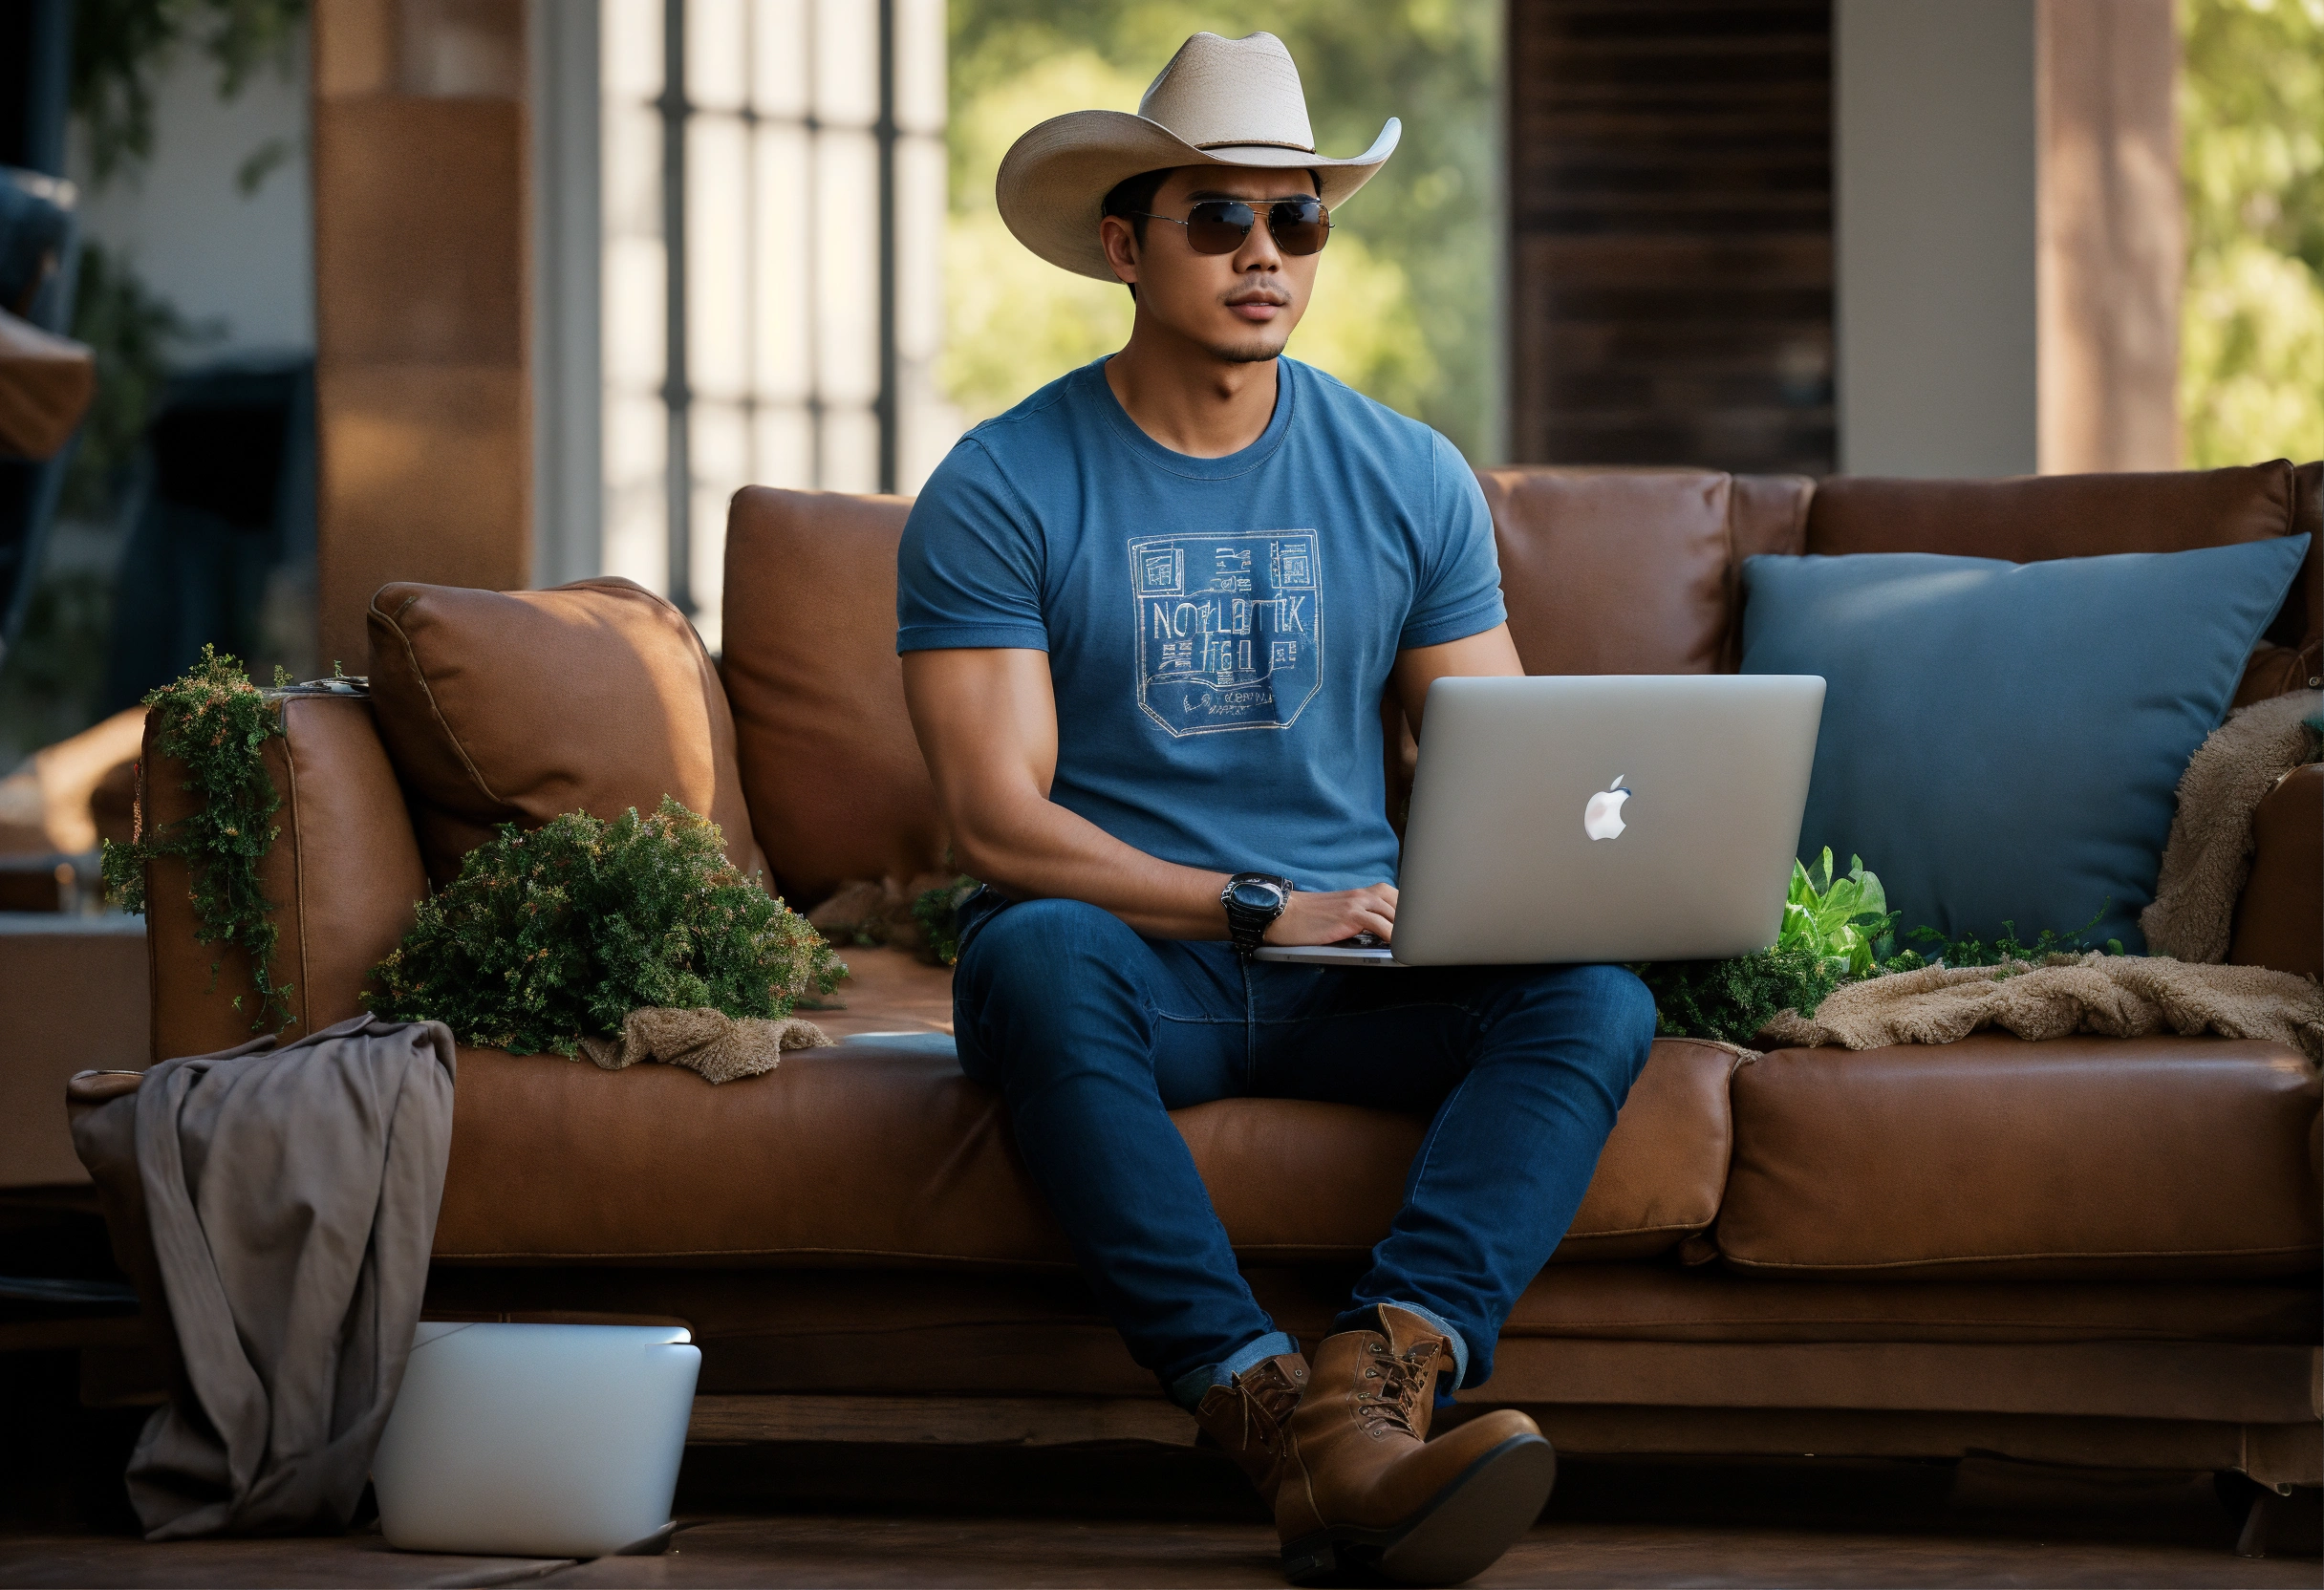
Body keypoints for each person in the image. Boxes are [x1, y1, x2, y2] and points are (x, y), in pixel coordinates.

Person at [897, 31, 1656, 1587]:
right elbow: (995, 821)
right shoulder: (1003, 484)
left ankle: (1374, 1385)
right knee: (1028, 953)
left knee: (1592, 996)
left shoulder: (1409, 476)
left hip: (1359, 969)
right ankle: (1260, 1408)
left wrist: (1593, 862)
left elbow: (1503, 759)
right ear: (1125, 245)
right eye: (1220, 218)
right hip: (1136, 969)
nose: (1266, 254)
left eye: (1297, 219)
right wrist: (1250, 906)